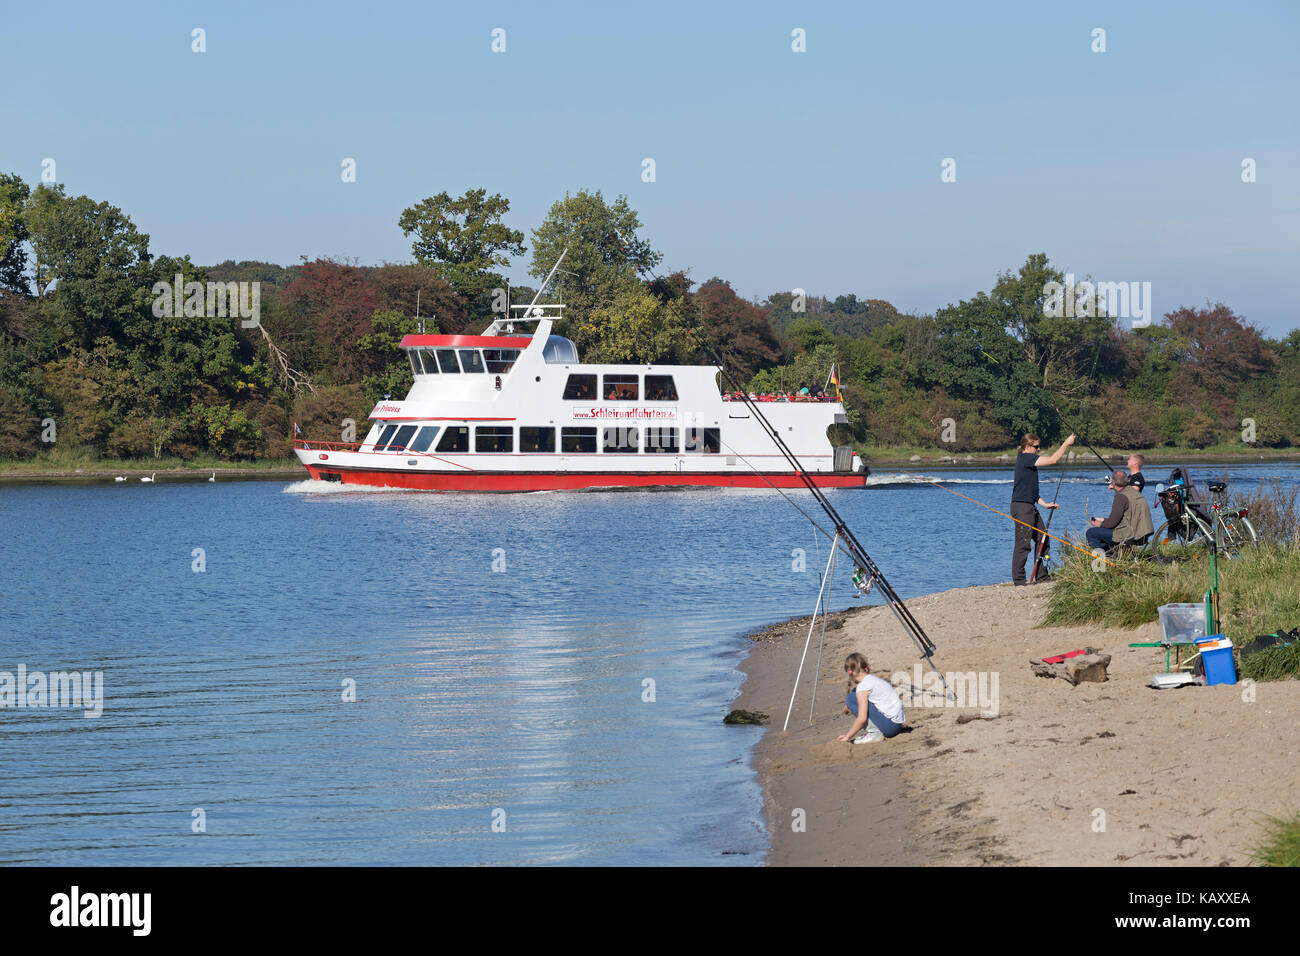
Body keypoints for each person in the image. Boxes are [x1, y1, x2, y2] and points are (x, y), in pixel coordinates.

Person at [1011, 431, 1075, 585]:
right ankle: (1019, 581)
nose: (1038, 449)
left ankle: (1041, 575)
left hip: (1029, 506)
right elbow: (1053, 460)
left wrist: (1045, 504)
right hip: (1021, 508)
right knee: (1023, 543)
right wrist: (1066, 444)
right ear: (1028, 447)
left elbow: (1029, 491)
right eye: (1036, 447)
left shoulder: (1027, 461)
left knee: (1043, 538)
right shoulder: (1026, 458)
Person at [837, 653, 906, 744]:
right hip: (897, 725)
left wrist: (847, 736)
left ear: (851, 673)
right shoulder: (874, 680)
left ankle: (874, 734)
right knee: (854, 696)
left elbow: (862, 719)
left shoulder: (863, 687)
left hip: (890, 727)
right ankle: (876, 731)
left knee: (851, 698)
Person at [1087, 470, 1155, 551]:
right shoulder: (1134, 492)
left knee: (1091, 533)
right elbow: (1125, 517)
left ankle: (1107, 556)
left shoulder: (1121, 497)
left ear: (1114, 483)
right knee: (1105, 530)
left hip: (1130, 535)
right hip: (1143, 533)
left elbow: (1112, 523)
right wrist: (1104, 520)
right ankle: (1114, 553)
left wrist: (1100, 524)